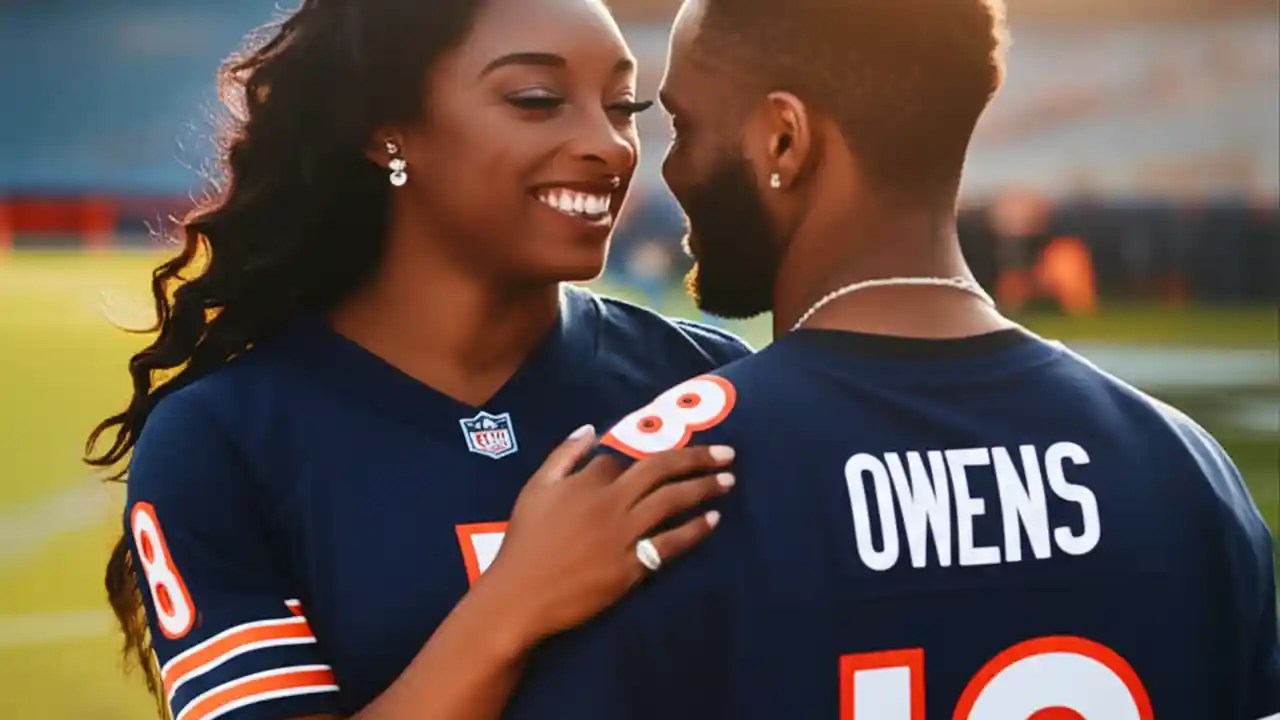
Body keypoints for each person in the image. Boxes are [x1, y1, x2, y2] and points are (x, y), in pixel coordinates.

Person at [506, 0, 1280, 718]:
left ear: (784, 139)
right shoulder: (1185, 472)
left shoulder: (664, 490)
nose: (667, 170)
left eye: (684, 126)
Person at [84, 1, 752, 718]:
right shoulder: (223, 437)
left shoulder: (708, 385)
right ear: (386, 130)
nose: (612, 145)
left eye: (622, 105)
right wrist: (516, 603)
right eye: (537, 100)